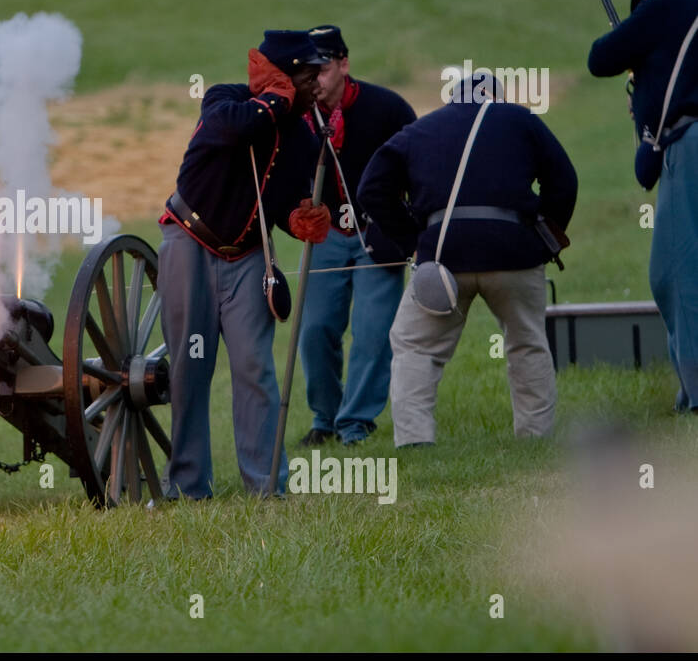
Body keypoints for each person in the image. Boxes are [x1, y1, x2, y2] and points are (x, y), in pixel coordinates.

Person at [358, 71, 577, 447]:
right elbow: (565, 180)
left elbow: (371, 188)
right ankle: (535, 440)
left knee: (415, 347)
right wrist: (542, 239)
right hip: (514, 253)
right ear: (497, 96)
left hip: (443, 257)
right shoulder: (521, 121)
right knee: (527, 343)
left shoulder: (422, 129)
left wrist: (413, 241)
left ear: (454, 99)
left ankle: (414, 442)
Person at [158, 30, 331, 498]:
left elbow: (279, 203)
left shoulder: (303, 135)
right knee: (190, 367)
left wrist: (299, 220)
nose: (318, 85)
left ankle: (267, 485)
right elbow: (230, 129)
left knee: (255, 368)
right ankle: (187, 485)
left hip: (249, 255)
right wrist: (277, 99)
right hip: (189, 242)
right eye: (309, 76)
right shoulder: (225, 99)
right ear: (282, 76)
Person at [296, 25, 417, 447]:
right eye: (308, 72)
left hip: (376, 234)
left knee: (372, 332)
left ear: (344, 64)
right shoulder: (297, 114)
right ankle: (324, 417)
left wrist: (405, 228)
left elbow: (416, 168)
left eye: (323, 69)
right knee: (314, 331)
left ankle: (356, 423)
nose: (315, 80)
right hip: (325, 232)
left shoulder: (389, 108)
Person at [588, 0, 698, 412]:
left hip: (692, 150)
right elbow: (645, 170)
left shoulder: (666, 7)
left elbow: (599, 58)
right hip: (681, 148)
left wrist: (637, 59)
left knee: (678, 275)